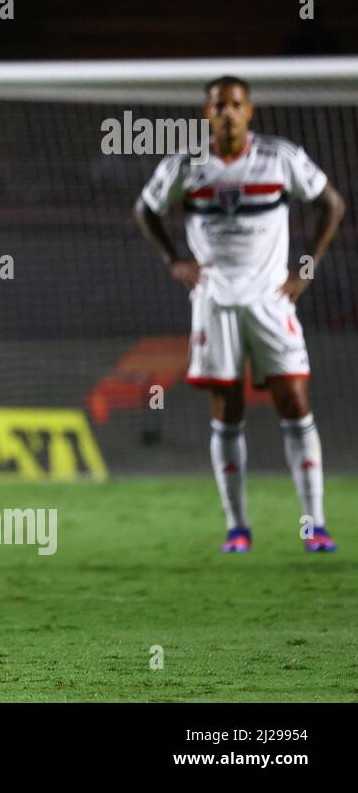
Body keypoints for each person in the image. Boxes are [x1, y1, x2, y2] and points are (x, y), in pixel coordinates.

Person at [135, 76, 346, 554]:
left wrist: (305, 269)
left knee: (294, 400)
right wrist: (174, 259)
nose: (227, 112)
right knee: (226, 412)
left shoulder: (279, 157)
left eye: (235, 104)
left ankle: (314, 525)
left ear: (250, 111)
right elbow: (145, 210)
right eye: (218, 105)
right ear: (206, 113)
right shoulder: (185, 164)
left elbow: (332, 204)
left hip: (273, 301)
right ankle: (237, 528)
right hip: (214, 303)